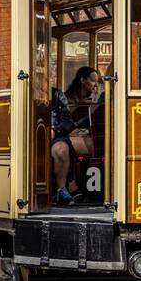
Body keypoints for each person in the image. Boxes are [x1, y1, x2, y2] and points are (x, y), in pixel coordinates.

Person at [51, 66, 101, 206]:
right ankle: (73, 185)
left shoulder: (92, 98)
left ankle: (85, 186)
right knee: (89, 146)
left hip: (75, 135)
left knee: (95, 145)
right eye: (93, 81)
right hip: (66, 135)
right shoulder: (67, 99)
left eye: (97, 81)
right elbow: (69, 123)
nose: (96, 84)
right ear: (82, 80)